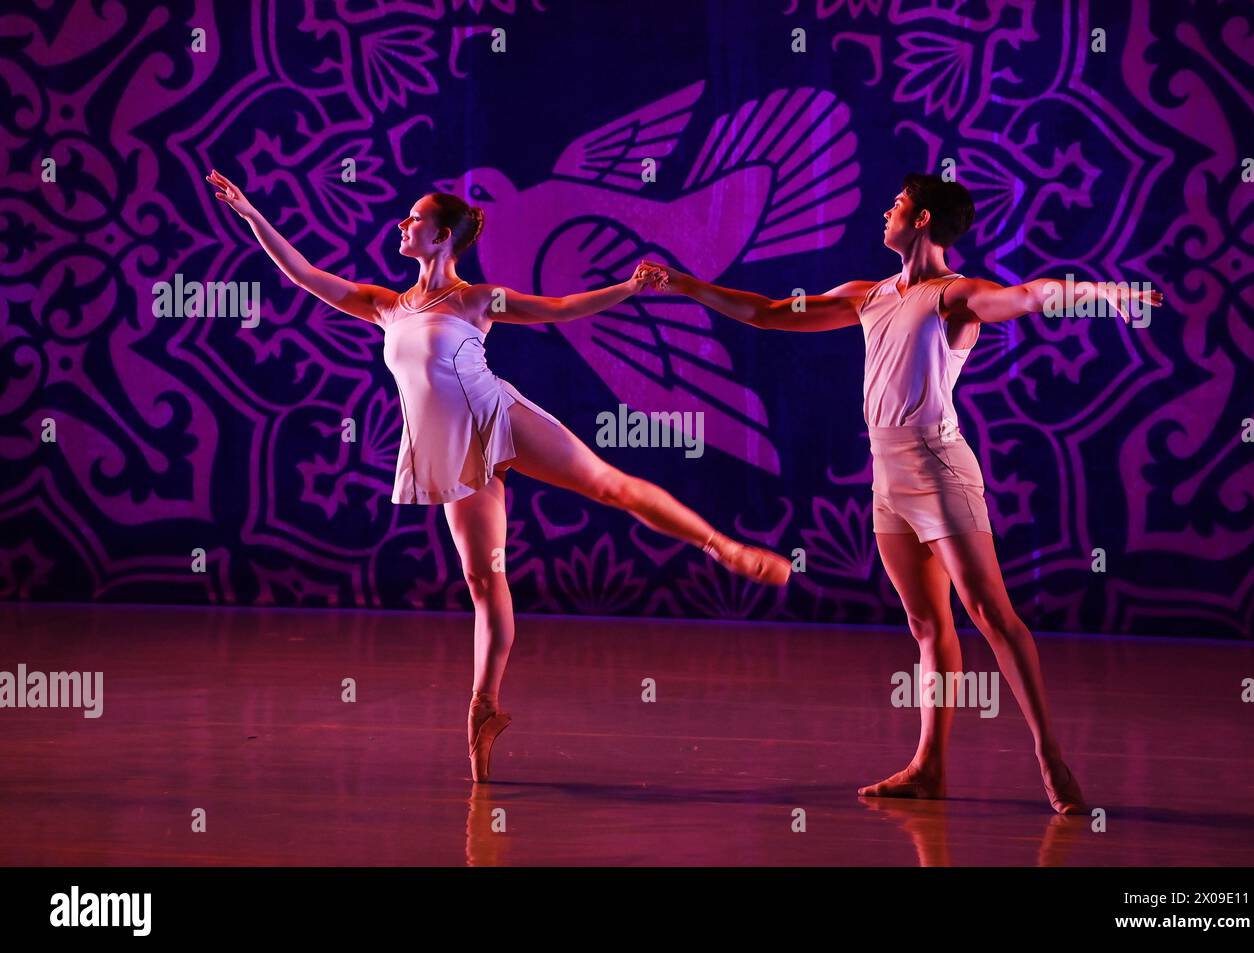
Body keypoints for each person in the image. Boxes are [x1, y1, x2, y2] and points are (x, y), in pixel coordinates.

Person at [207, 169, 791, 782]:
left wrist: (626, 288)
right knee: (484, 579)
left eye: (413, 219)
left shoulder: (476, 298)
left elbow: (561, 309)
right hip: (450, 450)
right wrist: (251, 214)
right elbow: (303, 274)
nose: (401, 224)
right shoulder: (384, 304)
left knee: (608, 484)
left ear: (440, 238)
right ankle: (485, 704)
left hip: (500, 417)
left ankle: (720, 545)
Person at [642, 172, 1162, 814]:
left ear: (920, 221)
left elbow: (1028, 296)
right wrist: (689, 286)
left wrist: (1100, 292)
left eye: (897, 204)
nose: (885, 210)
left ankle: (1050, 758)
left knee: (991, 615)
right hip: (886, 476)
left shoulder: (956, 296)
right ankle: (929, 765)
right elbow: (770, 314)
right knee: (925, 624)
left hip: (939, 470)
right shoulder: (869, 296)